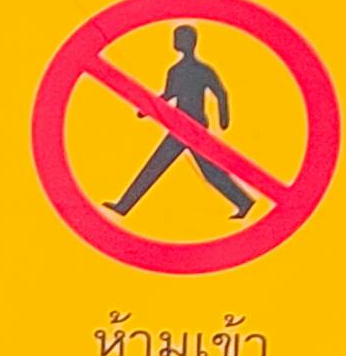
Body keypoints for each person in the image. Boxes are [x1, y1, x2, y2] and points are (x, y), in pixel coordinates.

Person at [109, 22, 257, 220]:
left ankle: (244, 202)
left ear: (190, 42)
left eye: (180, 38)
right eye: (176, 38)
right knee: (163, 167)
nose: (177, 41)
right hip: (179, 125)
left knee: (197, 171)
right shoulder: (175, 70)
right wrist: (147, 110)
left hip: (194, 127)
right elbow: (169, 95)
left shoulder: (203, 70)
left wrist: (224, 118)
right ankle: (123, 206)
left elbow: (220, 93)